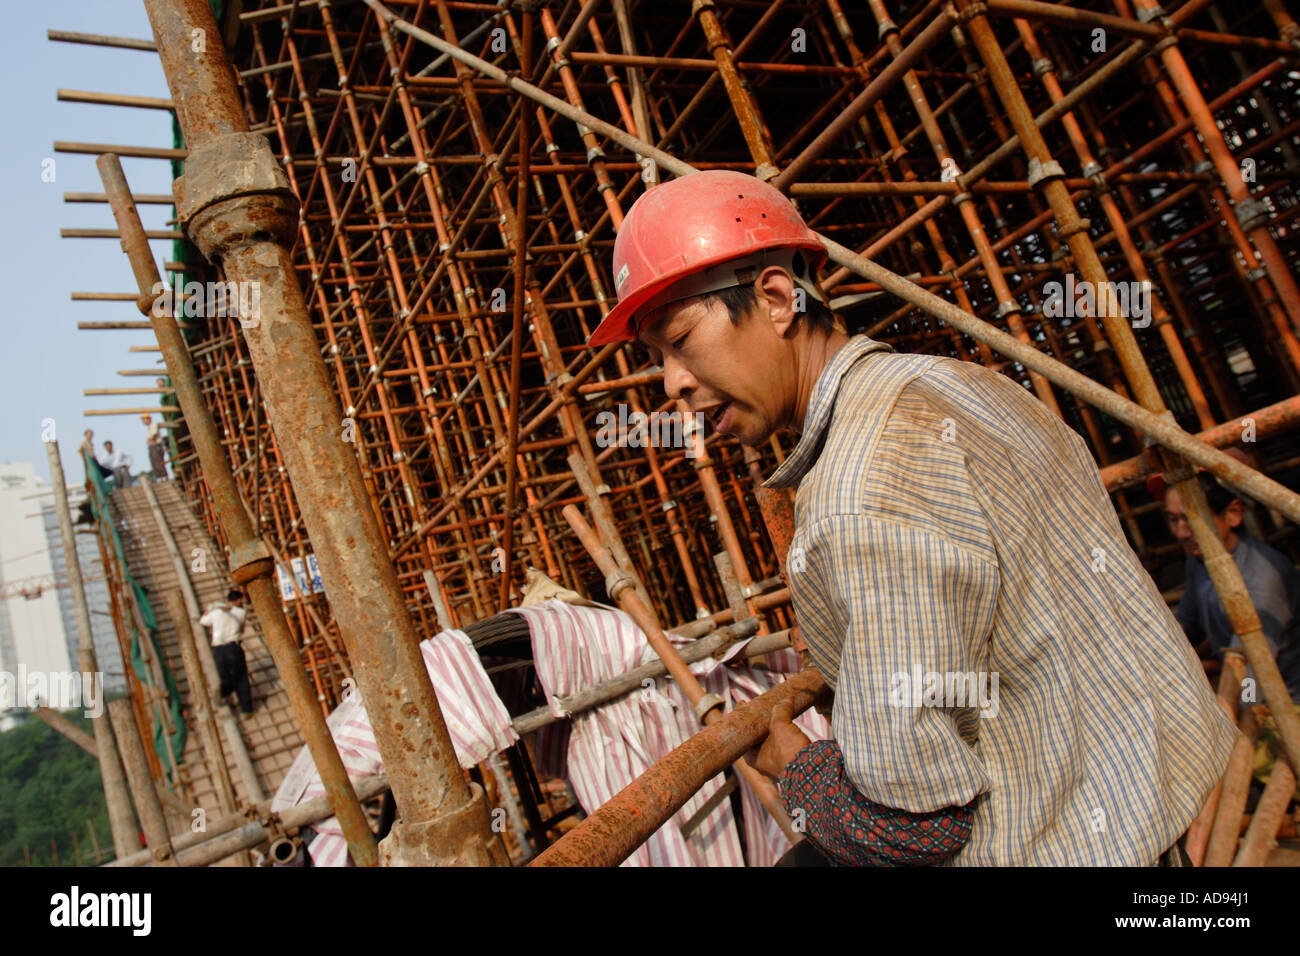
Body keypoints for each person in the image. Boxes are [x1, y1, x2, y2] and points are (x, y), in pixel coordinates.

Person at [588, 169, 1237, 866]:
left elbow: (912, 826)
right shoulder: (965, 383)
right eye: (655, 358)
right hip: (1151, 816)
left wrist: (799, 769)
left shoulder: (858, 494)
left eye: (680, 339)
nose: (670, 384)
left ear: (776, 298)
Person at [1157, 469, 1300, 795]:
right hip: (1239, 685)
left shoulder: (1263, 581)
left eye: (1189, 519)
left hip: (1285, 702)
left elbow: (1253, 677)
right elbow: (1186, 625)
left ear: (1233, 514)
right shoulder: (1199, 560)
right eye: (1173, 520)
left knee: (1236, 771)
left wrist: (1236, 720)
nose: (1180, 532)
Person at [200, 589, 254, 715]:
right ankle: (246, 709)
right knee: (241, 678)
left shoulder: (217, 612)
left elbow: (203, 621)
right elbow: (241, 629)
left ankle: (222, 693)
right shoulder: (241, 612)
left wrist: (210, 609)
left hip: (218, 649)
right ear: (239, 600)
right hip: (232, 647)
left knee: (224, 676)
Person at [142, 413, 168, 481]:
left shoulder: (153, 426)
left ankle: (163, 478)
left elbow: (153, 436)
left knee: (158, 463)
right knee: (155, 463)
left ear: (148, 419)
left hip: (156, 447)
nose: (143, 421)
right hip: (153, 447)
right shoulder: (150, 427)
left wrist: (149, 440)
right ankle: (161, 478)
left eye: (144, 420)